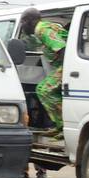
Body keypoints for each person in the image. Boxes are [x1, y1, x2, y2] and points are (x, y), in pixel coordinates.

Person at [21, 8, 68, 140]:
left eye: (23, 21)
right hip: (65, 66)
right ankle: (59, 126)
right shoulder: (43, 29)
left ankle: (63, 126)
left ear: (30, 21)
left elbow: (62, 48)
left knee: (44, 90)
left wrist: (65, 73)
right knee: (52, 90)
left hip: (68, 65)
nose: (22, 25)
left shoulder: (42, 30)